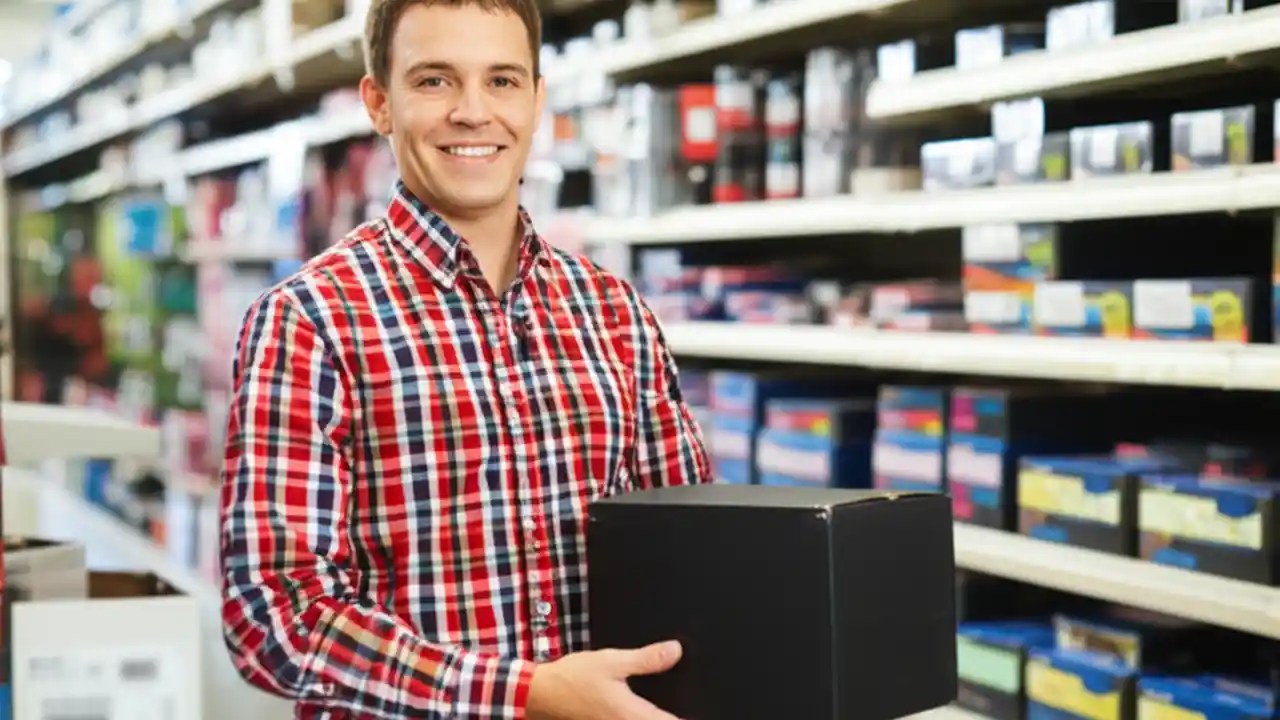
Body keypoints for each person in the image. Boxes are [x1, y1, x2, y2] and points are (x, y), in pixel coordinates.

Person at [217, 0, 714, 717]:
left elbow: (696, 557)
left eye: (503, 81)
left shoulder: (615, 314)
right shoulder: (309, 322)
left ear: (538, 100)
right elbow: (274, 618)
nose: (473, 112)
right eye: (435, 81)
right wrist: (526, 694)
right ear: (379, 103)